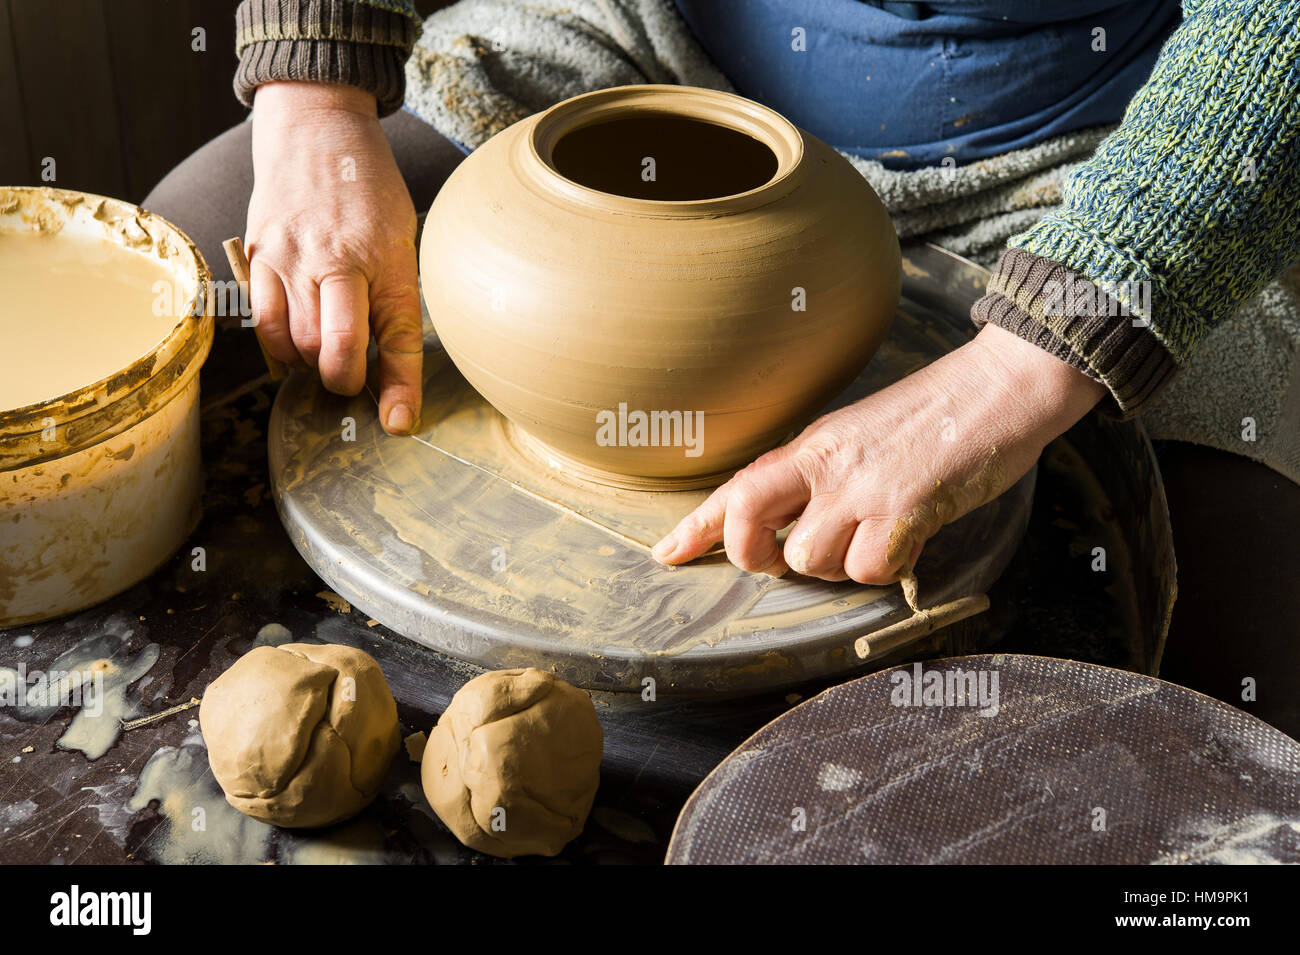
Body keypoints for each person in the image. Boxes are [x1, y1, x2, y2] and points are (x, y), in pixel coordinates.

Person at [144, 1, 1299, 700]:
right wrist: (313, 94)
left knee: (1247, 635)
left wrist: (1020, 367)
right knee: (190, 277)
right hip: (648, 49)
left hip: (1103, 144)